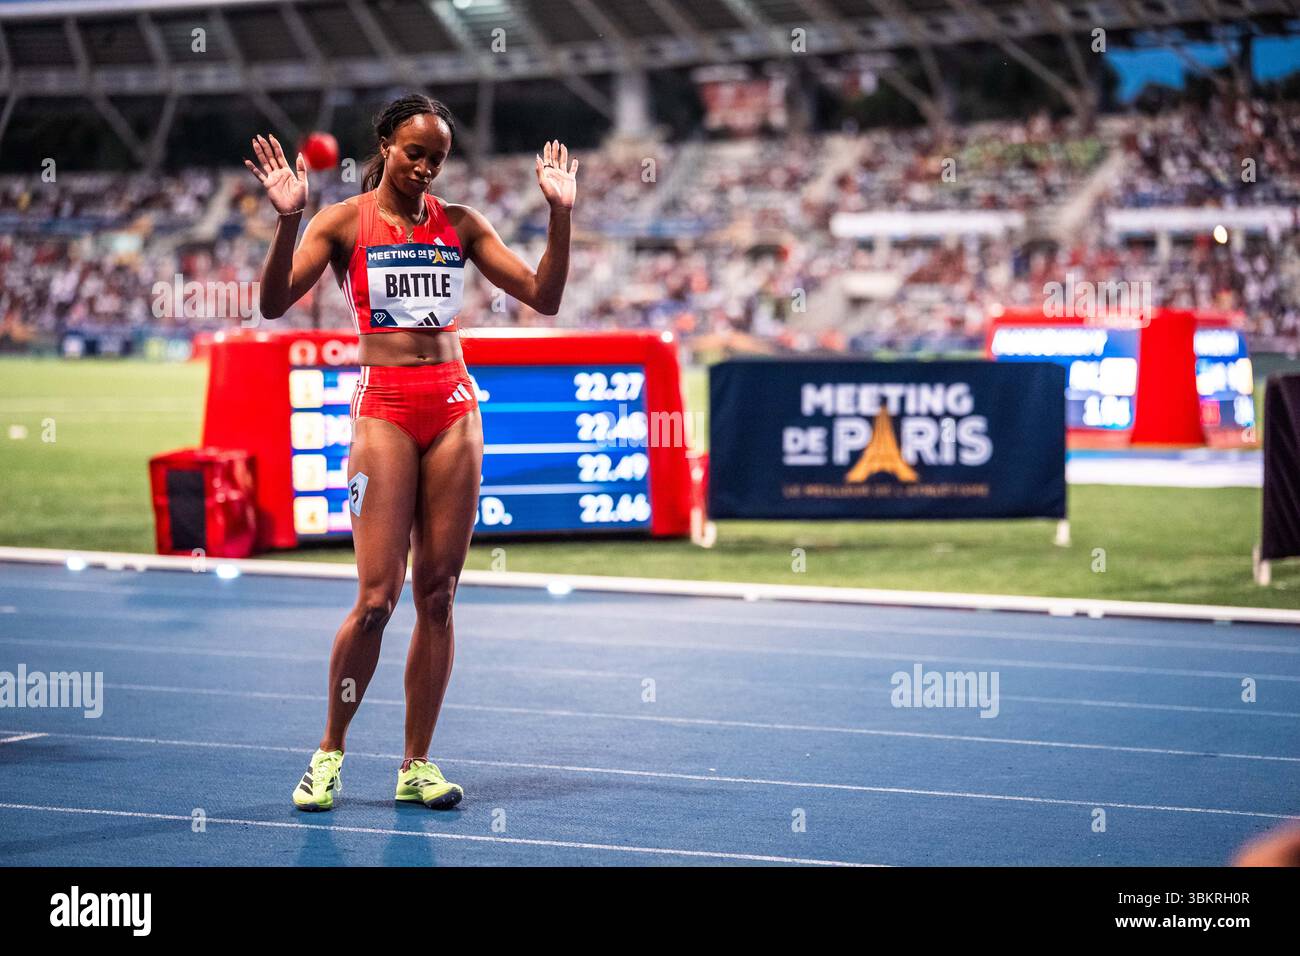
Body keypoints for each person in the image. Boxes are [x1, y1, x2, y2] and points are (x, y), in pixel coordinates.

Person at [244, 93, 577, 811]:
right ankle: (329, 752)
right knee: (375, 599)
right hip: (385, 411)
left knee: (439, 595)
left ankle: (416, 764)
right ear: (386, 144)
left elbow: (543, 297)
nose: (426, 168)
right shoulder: (341, 224)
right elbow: (273, 303)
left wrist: (561, 213)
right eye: (415, 152)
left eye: (438, 158)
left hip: (454, 407)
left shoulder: (460, 225)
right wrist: (288, 218)